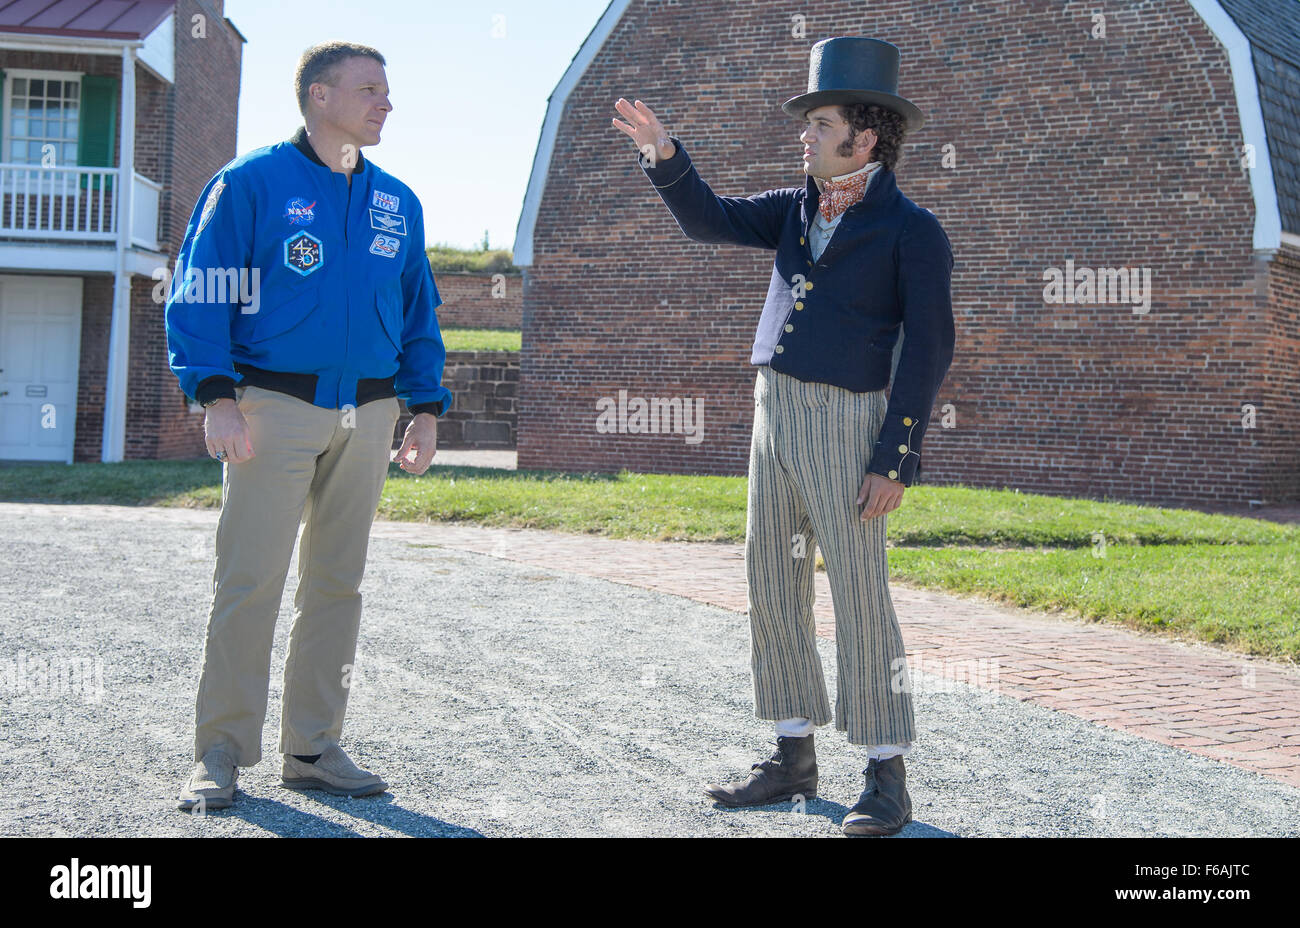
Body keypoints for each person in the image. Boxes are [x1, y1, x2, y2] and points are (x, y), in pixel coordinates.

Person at [613, 36, 954, 836]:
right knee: (770, 576)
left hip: (850, 420)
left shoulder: (913, 230)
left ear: (864, 137)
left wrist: (895, 456)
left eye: (820, 121)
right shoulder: (797, 204)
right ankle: (793, 753)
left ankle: (885, 774)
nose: (804, 134)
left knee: (860, 593)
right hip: (775, 408)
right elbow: (710, 220)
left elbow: (929, 351)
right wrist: (663, 154)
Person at [167, 41, 452, 811]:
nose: (384, 103)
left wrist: (424, 408)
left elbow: (418, 310)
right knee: (249, 580)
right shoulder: (251, 182)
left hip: (371, 412)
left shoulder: (398, 200)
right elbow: (200, 290)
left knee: (337, 584)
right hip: (273, 406)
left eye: (387, 91)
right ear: (319, 97)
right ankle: (220, 751)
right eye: (368, 90)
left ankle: (313, 748)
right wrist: (216, 395)